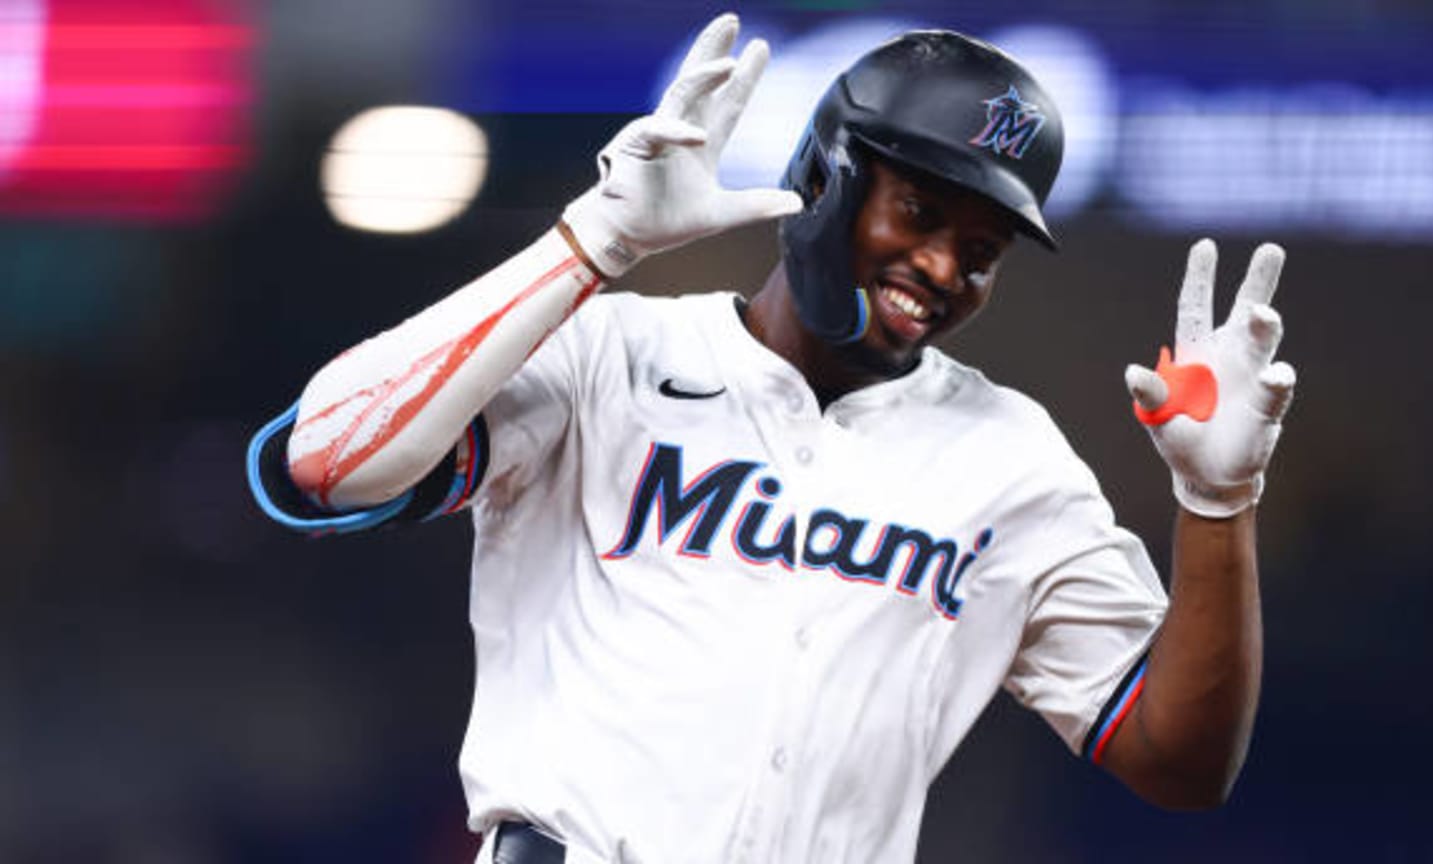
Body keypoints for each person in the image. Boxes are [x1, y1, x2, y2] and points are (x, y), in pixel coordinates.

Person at [247, 13, 1296, 864]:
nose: (942, 268)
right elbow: (326, 462)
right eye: (919, 212)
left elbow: (1181, 762)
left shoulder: (1010, 458)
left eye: (980, 249)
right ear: (830, 178)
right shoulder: (607, 353)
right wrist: (586, 245)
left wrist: (1220, 504)